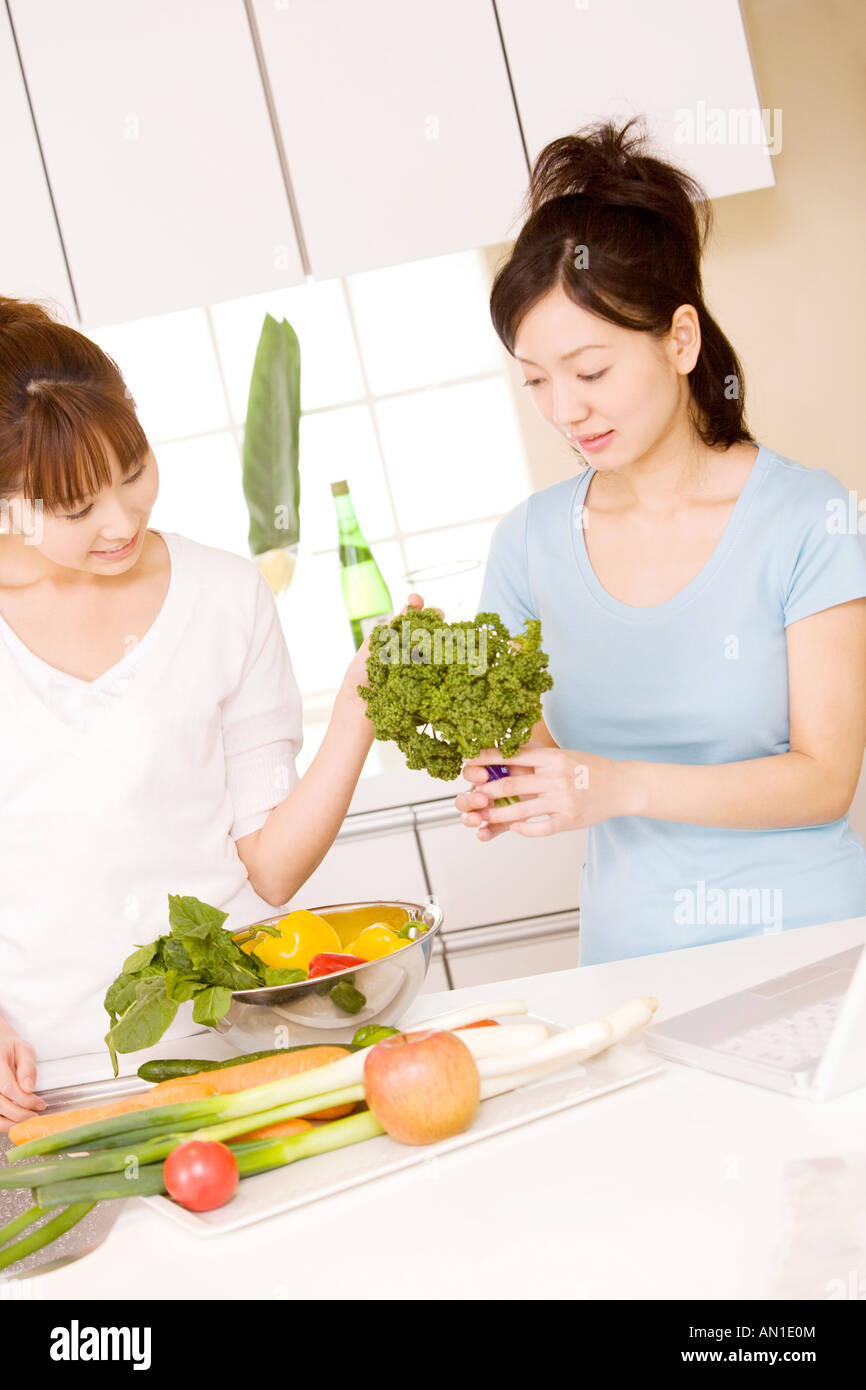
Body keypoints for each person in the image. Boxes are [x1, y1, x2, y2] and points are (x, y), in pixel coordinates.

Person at [0, 297, 419, 1131]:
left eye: (133, 472)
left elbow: (268, 867)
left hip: (234, 1052)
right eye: (76, 508)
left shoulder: (226, 596)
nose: (121, 521)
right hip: (40, 1088)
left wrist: (358, 710)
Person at [456, 117, 866, 966]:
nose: (566, 410)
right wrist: (506, 781)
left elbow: (825, 780)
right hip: (630, 965)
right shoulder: (528, 545)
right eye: (536, 381)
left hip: (819, 950)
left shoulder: (809, 519)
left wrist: (613, 783)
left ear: (681, 340)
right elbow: (526, 753)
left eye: (591, 371)